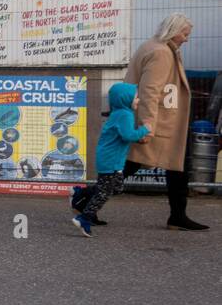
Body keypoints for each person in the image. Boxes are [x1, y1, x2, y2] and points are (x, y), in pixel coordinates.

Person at [121, 13, 208, 231]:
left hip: (164, 120)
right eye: (185, 34)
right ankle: (85, 198)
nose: (187, 38)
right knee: (131, 166)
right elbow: (150, 90)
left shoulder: (157, 47)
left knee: (175, 167)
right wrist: (147, 125)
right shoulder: (161, 52)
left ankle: (178, 216)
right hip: (161, 122)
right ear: (173, 30)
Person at [69, 83, 151, 236]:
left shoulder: (121, 113)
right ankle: (84, 218)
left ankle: (80, 193)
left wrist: (138, 137)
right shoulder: (125, 115)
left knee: (116, 188)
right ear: (125, 99)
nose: (138, 100)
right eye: (135, 97)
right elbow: (128, 135)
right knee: (104, 193)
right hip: (110, 160)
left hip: (113, 159)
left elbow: (123, 134)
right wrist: (145, 129)